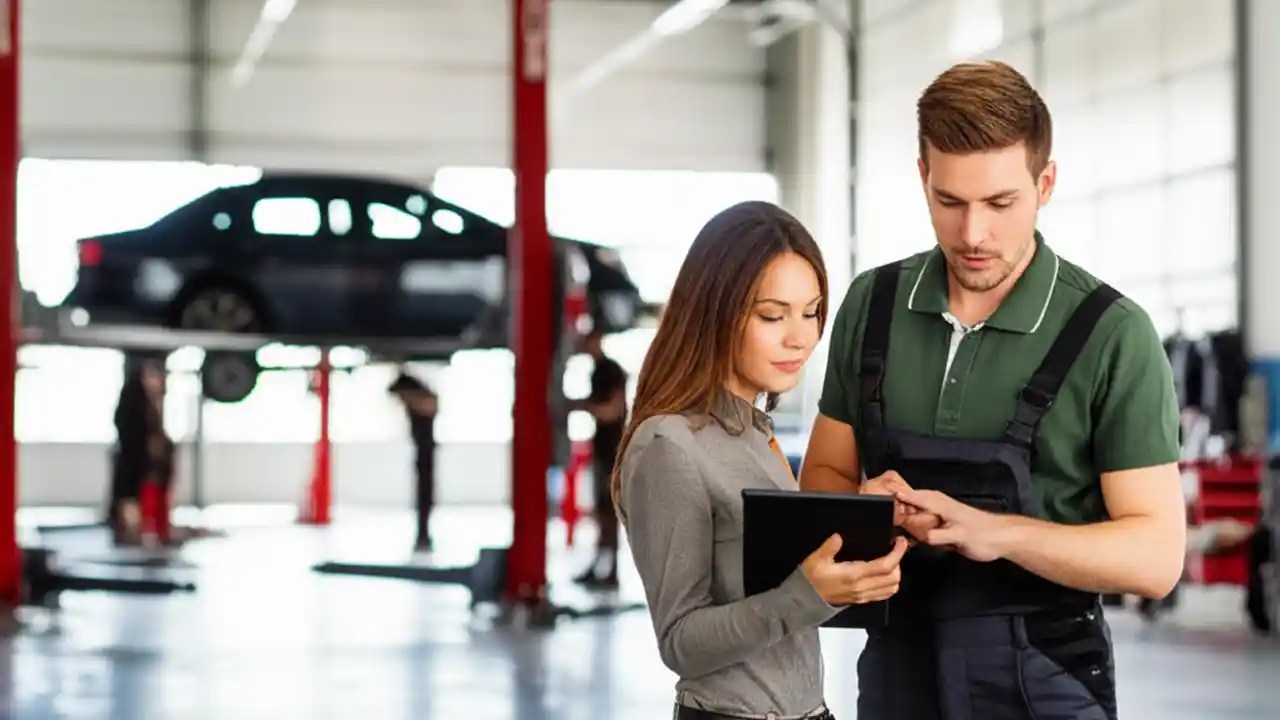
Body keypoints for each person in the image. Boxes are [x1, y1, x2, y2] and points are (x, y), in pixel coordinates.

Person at [800, 60, 1186, 720]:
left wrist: (996, 534)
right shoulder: (873, 305)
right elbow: (824, 477)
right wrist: (864, 509)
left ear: (1045, 183)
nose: (972, 234)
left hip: (1047, 684)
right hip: (898, 675)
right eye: (949, 202)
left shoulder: (1113, 334)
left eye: (1000, 204)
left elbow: (1155, 558)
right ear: (922, 176)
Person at [615, 201, 909, 720]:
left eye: (811, 312)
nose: (800, 337)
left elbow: (770, 586)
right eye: (772, 315)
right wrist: (806, 595)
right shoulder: (668, 445)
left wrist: (859, 522)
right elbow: (680, 642)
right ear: (715, 312)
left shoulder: (756, 432)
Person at [570, 327, 628, 589]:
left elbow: (612, 410)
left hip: (613, 450)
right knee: (601, 511)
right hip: (603, 448)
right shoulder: (597, 372)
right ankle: (600, 565)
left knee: (609, 511)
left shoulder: (611, 371)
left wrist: (583, 407)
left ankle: (611, 570)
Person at [107, 355, 173, 546]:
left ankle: (142, 533)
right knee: (130, 500)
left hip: (145, 467)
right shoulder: (134, 406)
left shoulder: (152, 406)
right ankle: (131, 534)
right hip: (134, 465)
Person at [389, 370, 439, 553]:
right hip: (422, 456)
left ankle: (424, 535)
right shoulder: (417, 406)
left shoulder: (424, 403)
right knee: (423, 497)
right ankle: (422, 535)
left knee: (425, 497)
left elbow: (430, 405)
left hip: (426, 456)